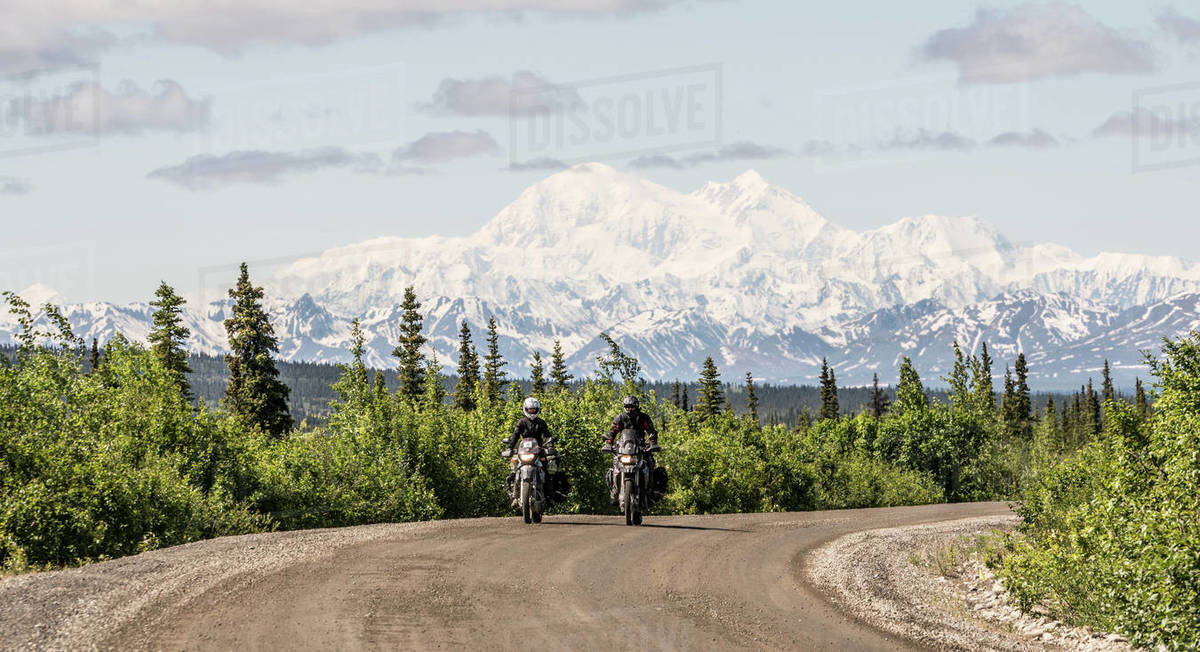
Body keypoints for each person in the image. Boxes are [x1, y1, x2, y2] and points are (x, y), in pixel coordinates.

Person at [603, 396, 660, 505]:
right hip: (624, 449)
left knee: (650, 464)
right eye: (627, 407)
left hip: (640, 448)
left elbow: (651, 430)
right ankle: (614, 491)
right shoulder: (620, 418)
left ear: (636, 407)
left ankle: (651, 492)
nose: (629, 409)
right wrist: (609, 443)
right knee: (614, 468)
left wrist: (653, 442)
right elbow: (613, 431)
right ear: (624, 407)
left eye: (631, 407)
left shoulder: (643, 418)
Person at [504, 397, 551, 507]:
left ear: (537, 409)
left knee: (547, 471)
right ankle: (515, 497)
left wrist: (550, 445)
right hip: (523, 451)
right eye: (530, 410)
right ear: (526, 409)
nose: (532, 412)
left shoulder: (541, 422)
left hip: (538, 451)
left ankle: (549, 497)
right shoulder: (521, 422)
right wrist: (510, 448)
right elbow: (515, 435)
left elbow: (548, 435)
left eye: (534, 410)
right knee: (514, 471)